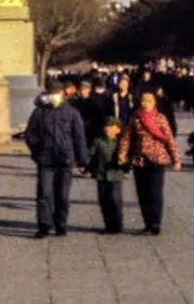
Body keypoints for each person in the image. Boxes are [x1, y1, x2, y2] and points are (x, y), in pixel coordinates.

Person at [24, 82, 89, 238]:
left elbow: (79, 137)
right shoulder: (39, 112)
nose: (54, 96)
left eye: (57, 93)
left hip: (65, 158)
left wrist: (82, 159)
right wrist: (37, 150)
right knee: (44, 193)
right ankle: (44, 225)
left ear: (62, 95)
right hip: (46, 158)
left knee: (62, 195)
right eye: (51, 93)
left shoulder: (72, 113)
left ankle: (61, 224)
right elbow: (30, 134)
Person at [118, 91, 180, 236]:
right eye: (143, 102)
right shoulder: (135, 119)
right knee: (142, 193)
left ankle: (156, 222)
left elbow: (169, 139)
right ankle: (147, 222)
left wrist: (175, 159)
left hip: (157, 159)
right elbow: (127, 137)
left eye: (149, 102)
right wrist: (122, 152)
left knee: (155, 191)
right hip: (140, 160)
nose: (146, 104)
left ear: (154, 103)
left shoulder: (160, 118)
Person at [86, 116, 127, 234]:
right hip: (101, 174)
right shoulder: (98, 141)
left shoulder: (121, 143)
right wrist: (85, 166)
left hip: (116, 174)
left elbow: (127, 158)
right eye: (106, 126)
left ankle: (118, 225)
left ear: (118, 130)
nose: (107, 129)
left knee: (115, 199)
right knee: (104, 200)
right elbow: (90, 155)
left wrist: (124, 162)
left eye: (111, 127)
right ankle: (108, 225)